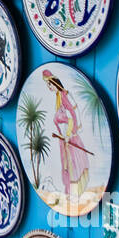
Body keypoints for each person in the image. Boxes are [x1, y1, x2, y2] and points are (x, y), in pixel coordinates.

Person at [43, 69, 90, 200]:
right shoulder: (58, 97)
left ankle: (75, 193)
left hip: (69, 138)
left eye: (49, 84)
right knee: (67, 165)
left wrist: (68, 134)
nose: (49, 87)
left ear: (55, 82)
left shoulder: (64, 96)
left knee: (73, 164)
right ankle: (70, 192)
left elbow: (71, 116)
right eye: (47, 85)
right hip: (64, 138)